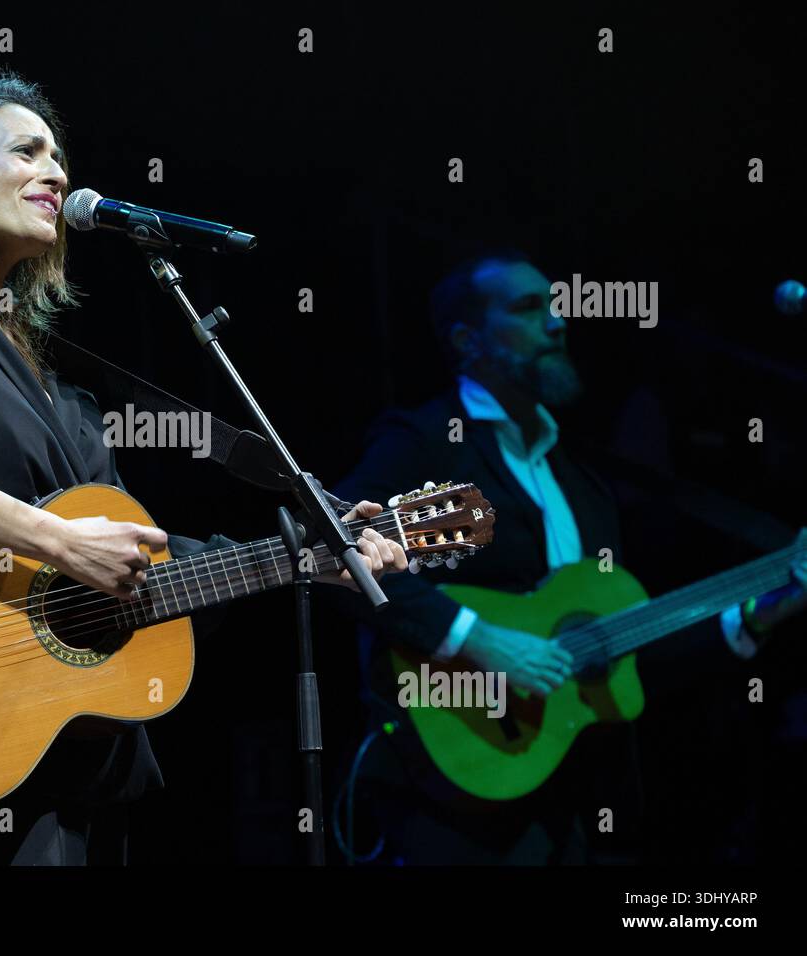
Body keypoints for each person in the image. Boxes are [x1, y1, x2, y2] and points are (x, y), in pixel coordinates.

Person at [0, 72, 408, 865]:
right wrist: (55, 542)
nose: (56, 172)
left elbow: (141, 559)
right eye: (26, 151)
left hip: (77, 765)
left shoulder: (64, 395)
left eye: (59, 155)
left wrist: (311, 556)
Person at [330, 252, 807, 864]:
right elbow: (331, 551)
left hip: (573, 805)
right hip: (453, 804)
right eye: (529, 309)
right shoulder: (426, 442)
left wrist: (759, 616)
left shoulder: (583, 479)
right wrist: (478, 639)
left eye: (557, 306)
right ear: (466, 339)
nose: (558, 323)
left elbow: (612, 656)